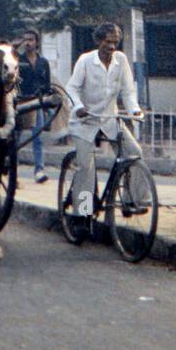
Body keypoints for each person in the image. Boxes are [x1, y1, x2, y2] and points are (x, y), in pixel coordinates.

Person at [64, 22, 143, 218]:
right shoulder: (85, 60)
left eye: (115, 42)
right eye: (108, 42)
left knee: (134, 152)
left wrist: (134, 110)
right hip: (85, 120)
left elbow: (128, 90)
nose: (112, 47)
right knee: (86, 167)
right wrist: (79, 107)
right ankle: (82, 214)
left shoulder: (121, 60)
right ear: (98, 40)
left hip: (109, 118)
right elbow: (72, 88)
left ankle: (131, 199)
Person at [16, 28, 53, 183]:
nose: (28, 43)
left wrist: (47, 101)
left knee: (37, 137)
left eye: (31, 40)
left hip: (36, 102)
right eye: (25, 40)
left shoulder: (43, 62)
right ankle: (13, 169)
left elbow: (47, 84)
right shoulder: (18, 60)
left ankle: (39, 170)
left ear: (37, 42)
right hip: (20, 101)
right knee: (15, 138)